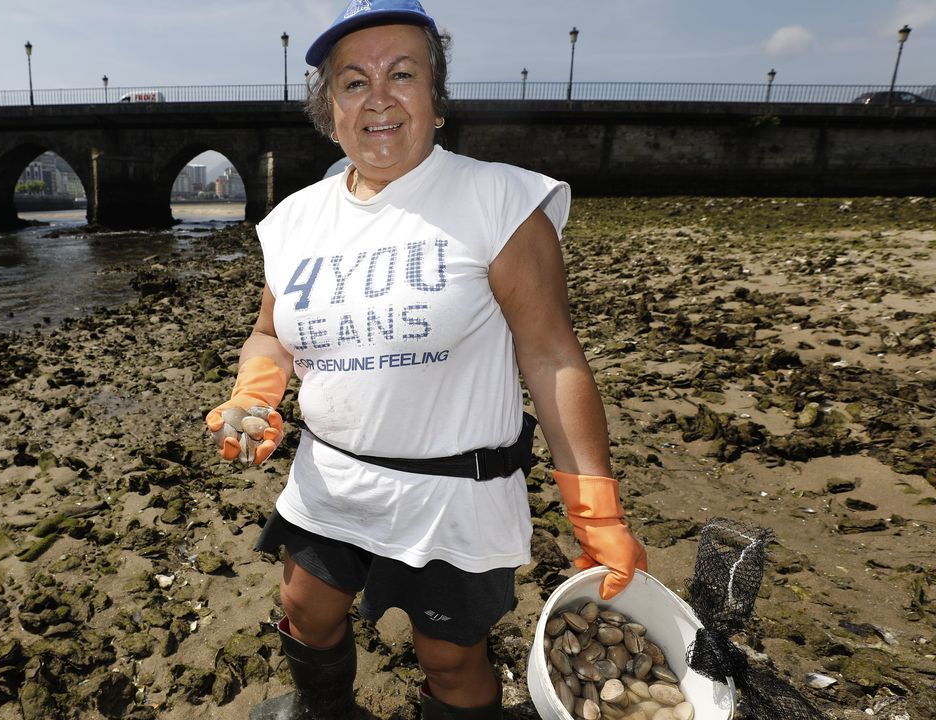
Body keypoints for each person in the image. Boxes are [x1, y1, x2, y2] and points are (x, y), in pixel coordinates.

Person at [205, 2, 648, 718]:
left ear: (437, 100)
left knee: (450, 659)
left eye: (402, 74)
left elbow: (552, 357)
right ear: (330, 111)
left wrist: (595, 511)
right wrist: (254, 393)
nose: (377, 97)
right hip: (329, 480)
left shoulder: (500, 201)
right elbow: (270, 333)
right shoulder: (294, 221)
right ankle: (324, 710)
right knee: (305, 610)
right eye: (354, 82)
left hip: (453, 497)